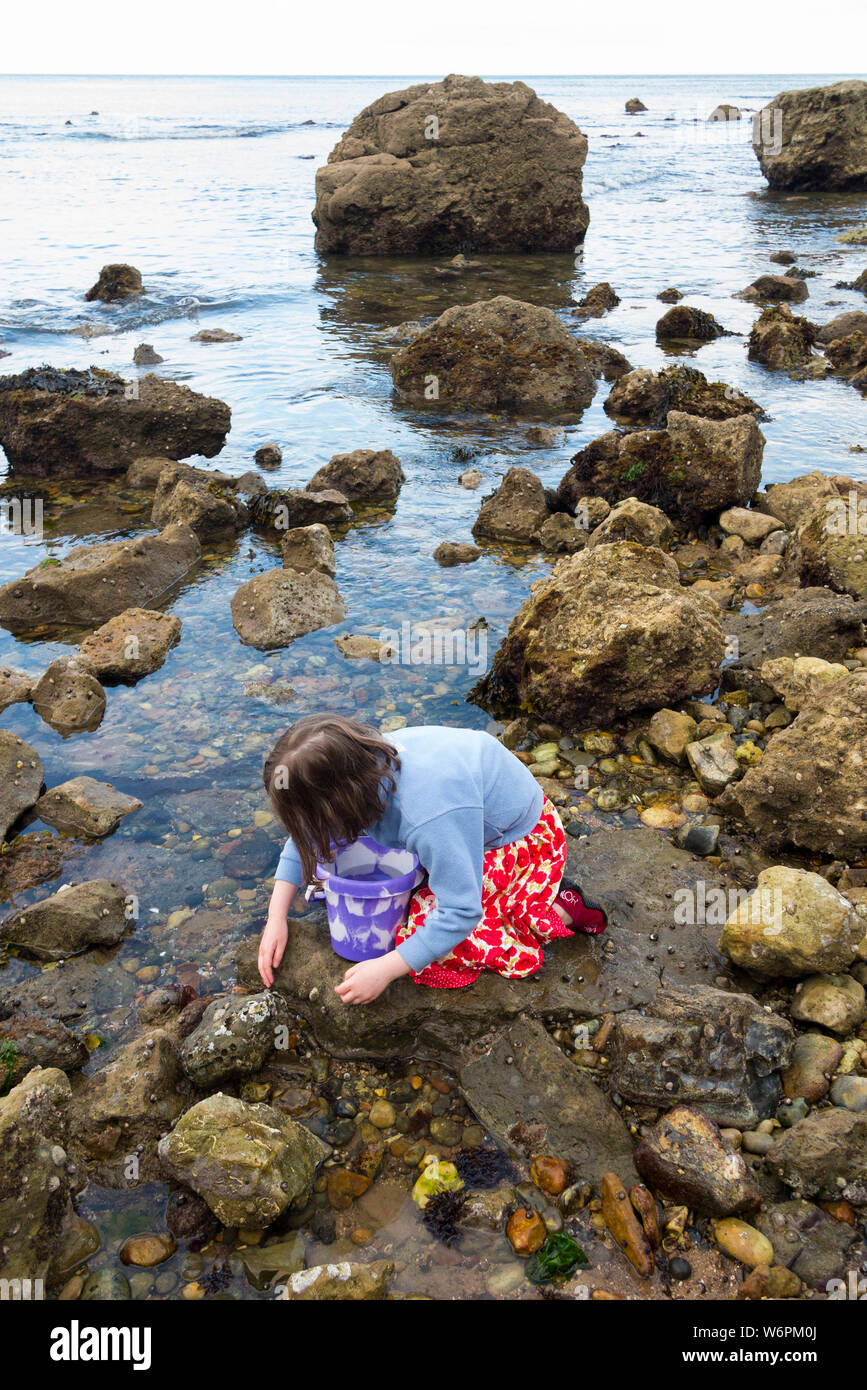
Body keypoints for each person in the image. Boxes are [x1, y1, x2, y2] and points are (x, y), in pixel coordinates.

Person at [258, 715, 606, 1005]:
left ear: (339, 803)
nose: (314, 830)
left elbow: (461, 912)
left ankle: (557, 905)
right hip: (457, 821)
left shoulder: (427, 814)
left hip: (514, 838)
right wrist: (277, 916)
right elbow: (306, 835)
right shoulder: (359, 765)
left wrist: (386, 969)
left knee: (439, 945)